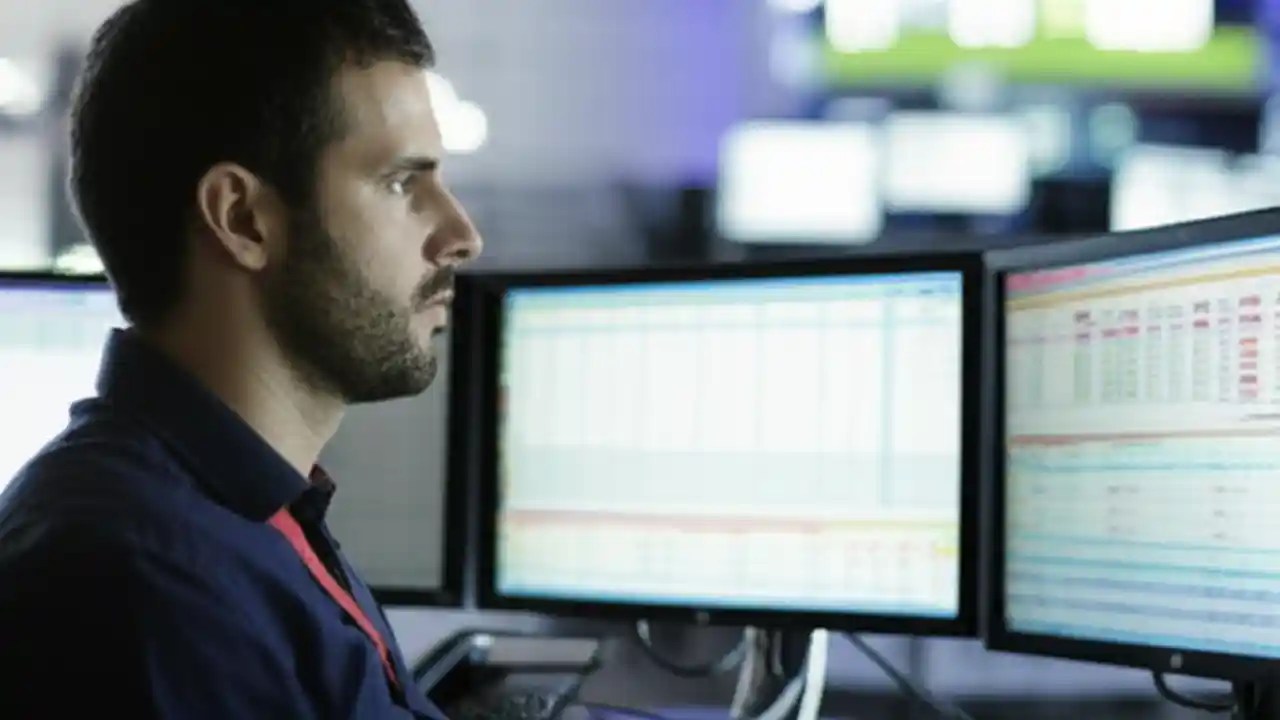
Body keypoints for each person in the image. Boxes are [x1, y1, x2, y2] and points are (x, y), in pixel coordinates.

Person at [0, 0, 482, 716]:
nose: (461, 235)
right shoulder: (144, 576)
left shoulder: (252, 515)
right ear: (242, 219)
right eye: (399, 183)